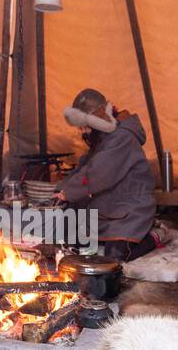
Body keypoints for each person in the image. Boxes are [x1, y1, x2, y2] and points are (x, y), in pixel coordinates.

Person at [56, 88, 158, 261]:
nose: (83, 131)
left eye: (85, 125)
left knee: (116, 255)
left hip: (130, 209)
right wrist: (61, 188)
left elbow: (97, 173)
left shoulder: (122, 137)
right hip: (108, 206)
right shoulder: (104, 137)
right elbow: (85, 166)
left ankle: (156, 235)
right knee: (75, 244)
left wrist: (69, 193)